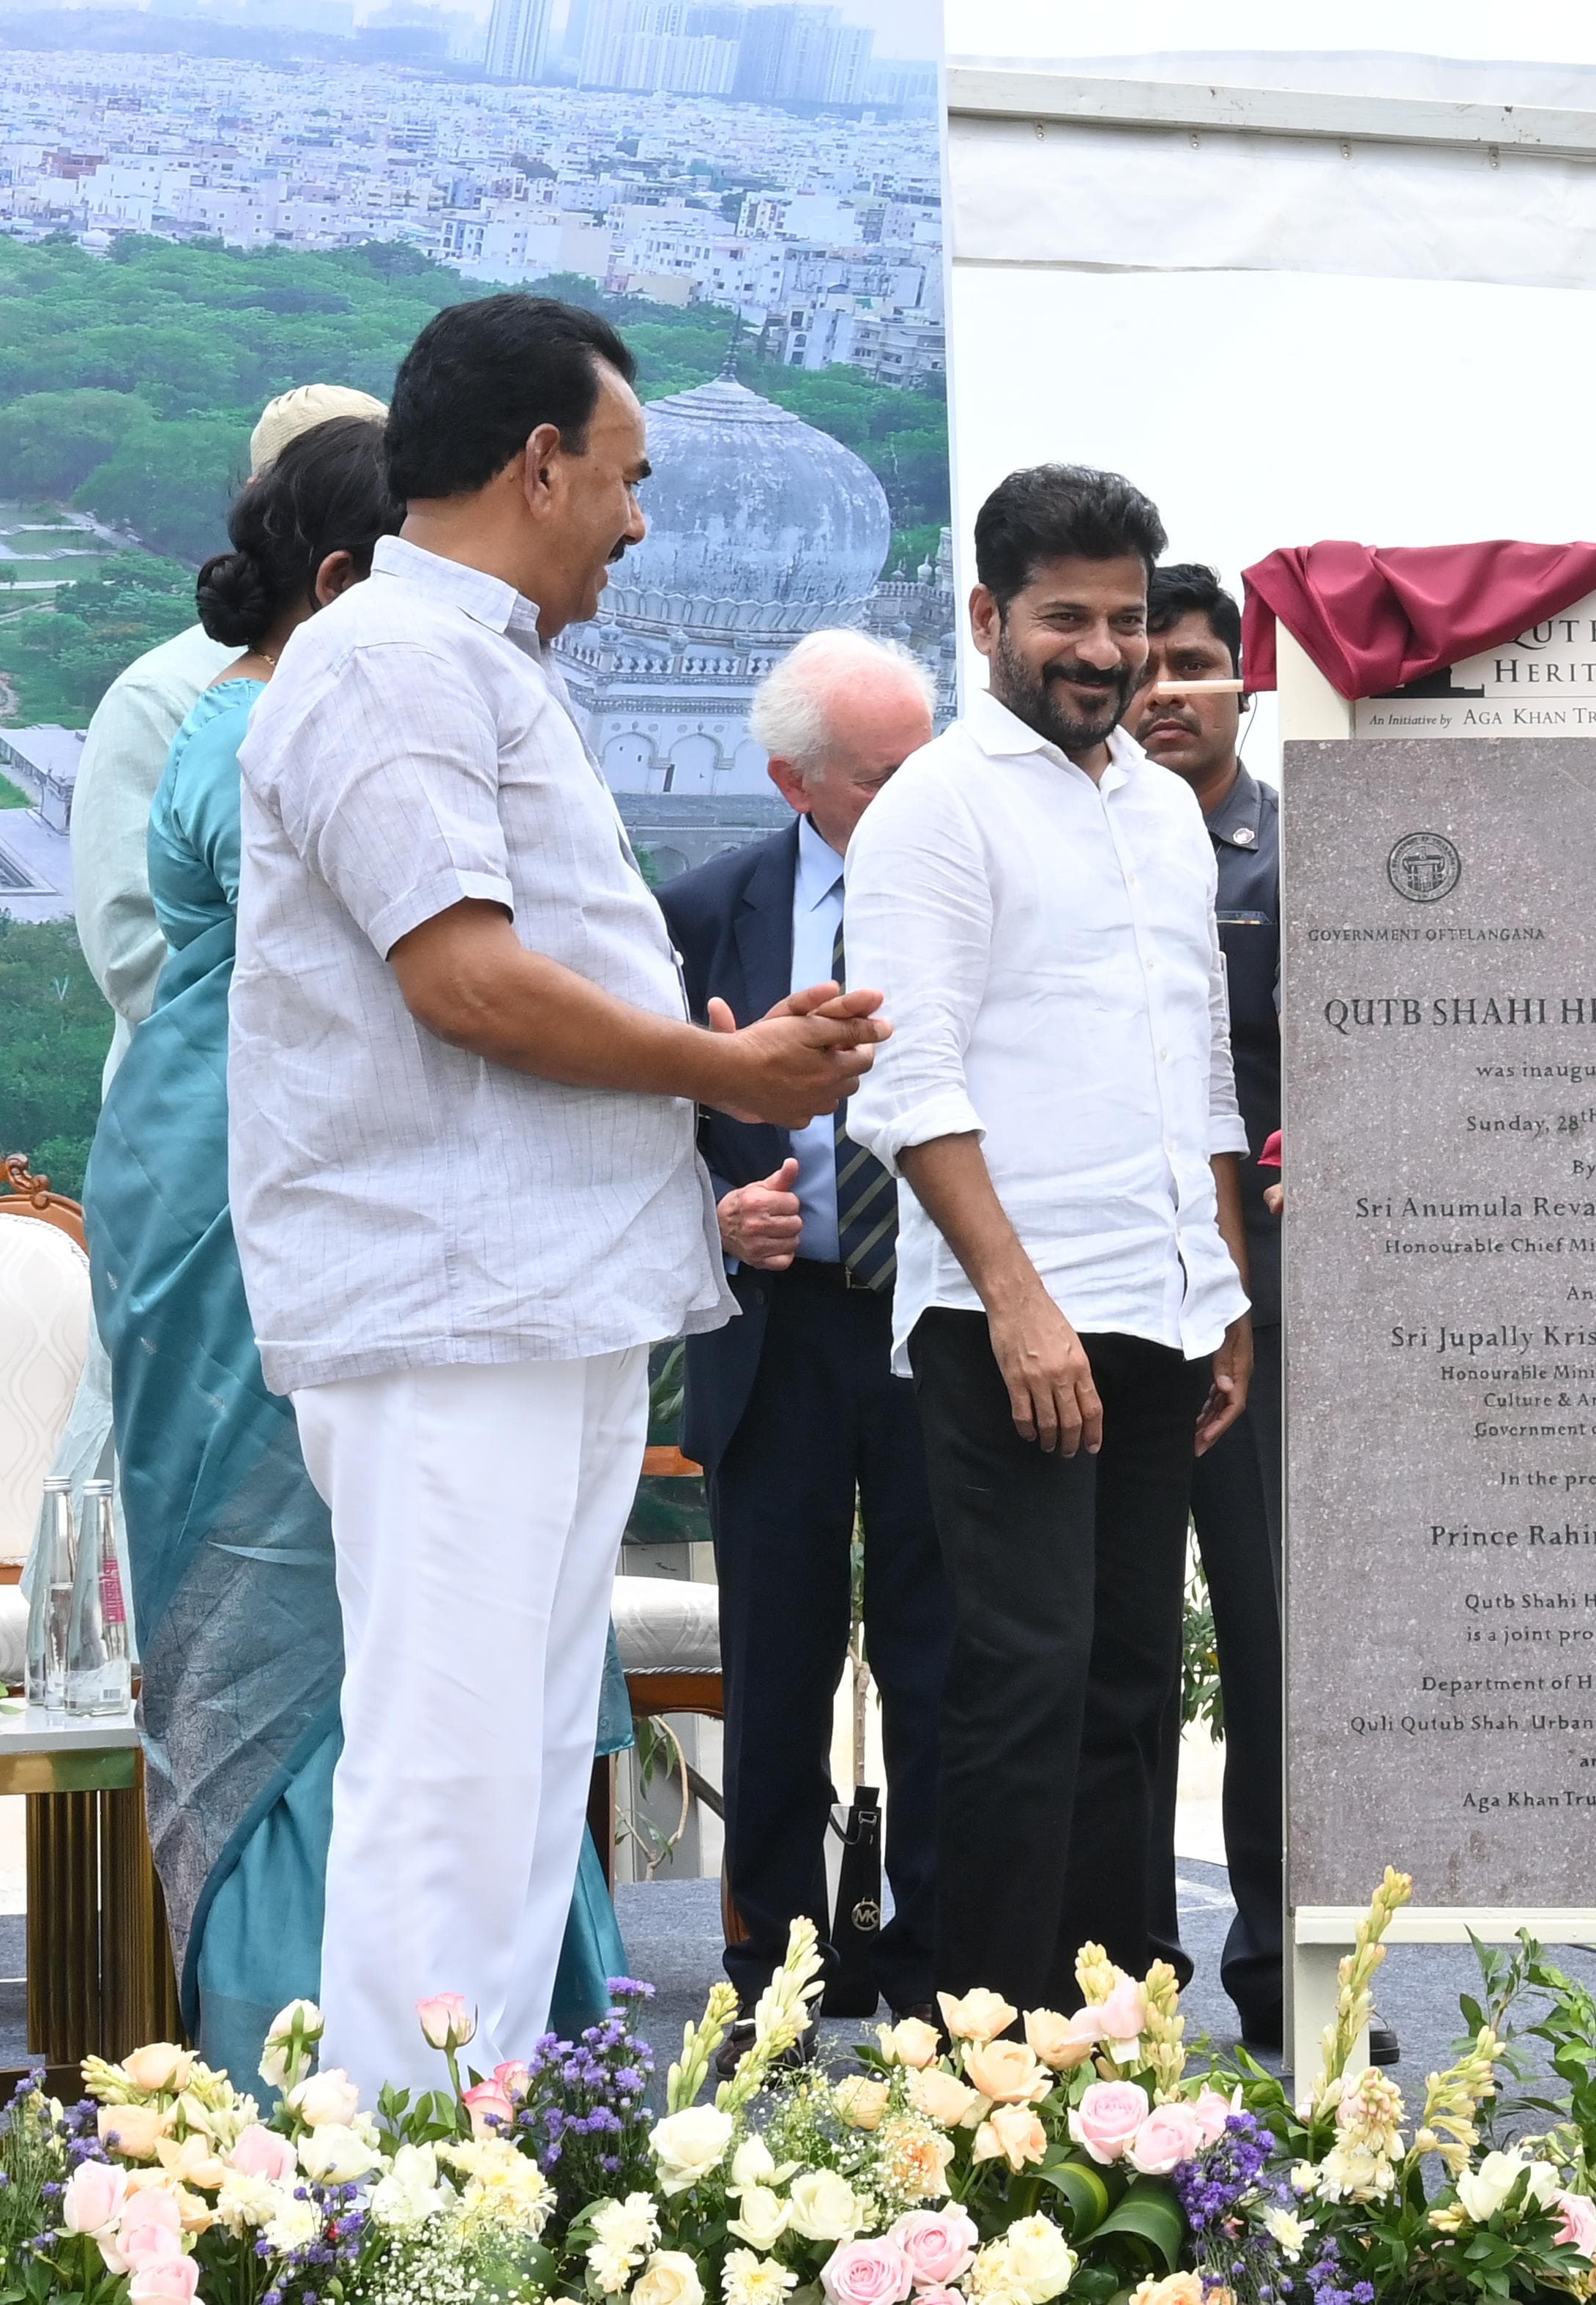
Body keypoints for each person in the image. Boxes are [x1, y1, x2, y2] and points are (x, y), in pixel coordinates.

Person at [227, 292, 888, 2093]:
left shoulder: (478, 662)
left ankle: (482, 2173)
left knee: (521, 1785)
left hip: (545, 1292)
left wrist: (729, 1048)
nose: (641, 517)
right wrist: (727, 1071)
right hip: (452, 1301)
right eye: (625, 475)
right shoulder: (384, 660)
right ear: (539, 465)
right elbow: (464, 980)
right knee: (448, 1774)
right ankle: (381, 2208)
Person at [840, 465, 1255, 2014]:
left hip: (1159, 1306)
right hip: (1008, 1317)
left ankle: (1123, 2028)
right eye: (1064, 618)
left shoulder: (1158, 808)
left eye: (1128, 621)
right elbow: (908, 1076)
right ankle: (988, 2046)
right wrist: (1018, 1302)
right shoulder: (934, 809)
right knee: (1024, 1678)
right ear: (985, 619)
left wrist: (1221, 1289)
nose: (1101, 651)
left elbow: (1195, 1072)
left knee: (1132, 1682)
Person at [655, 630, 954, 2048]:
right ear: (797, 779)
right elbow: (638, 1123)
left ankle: (936, 1960)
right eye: (890, 772)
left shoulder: (969, 890)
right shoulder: (707, 907)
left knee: (936, 1652)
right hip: (777, 1335)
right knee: (775, 1661)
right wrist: (722, 1207)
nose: (925, 789)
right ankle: (770, 1967)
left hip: (932, 1323)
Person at [42, 384, 385, 1505]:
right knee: (170, 1460)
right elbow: (138, 951)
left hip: (361, 1164)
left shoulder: (411, 680)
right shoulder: (175, 696)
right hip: (205, 1136)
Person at [1122, 565, 1291, 2049]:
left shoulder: (1302, 861)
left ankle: (1278, 1969)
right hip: (1102, 1298)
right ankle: (1120, 1980)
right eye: (1145, 660)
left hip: (1265, 1310)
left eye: (1193, 663)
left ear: (1244, 681)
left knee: (1269, 1646)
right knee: (1106, 1652)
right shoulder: (1073, 848)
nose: (1165, 686)